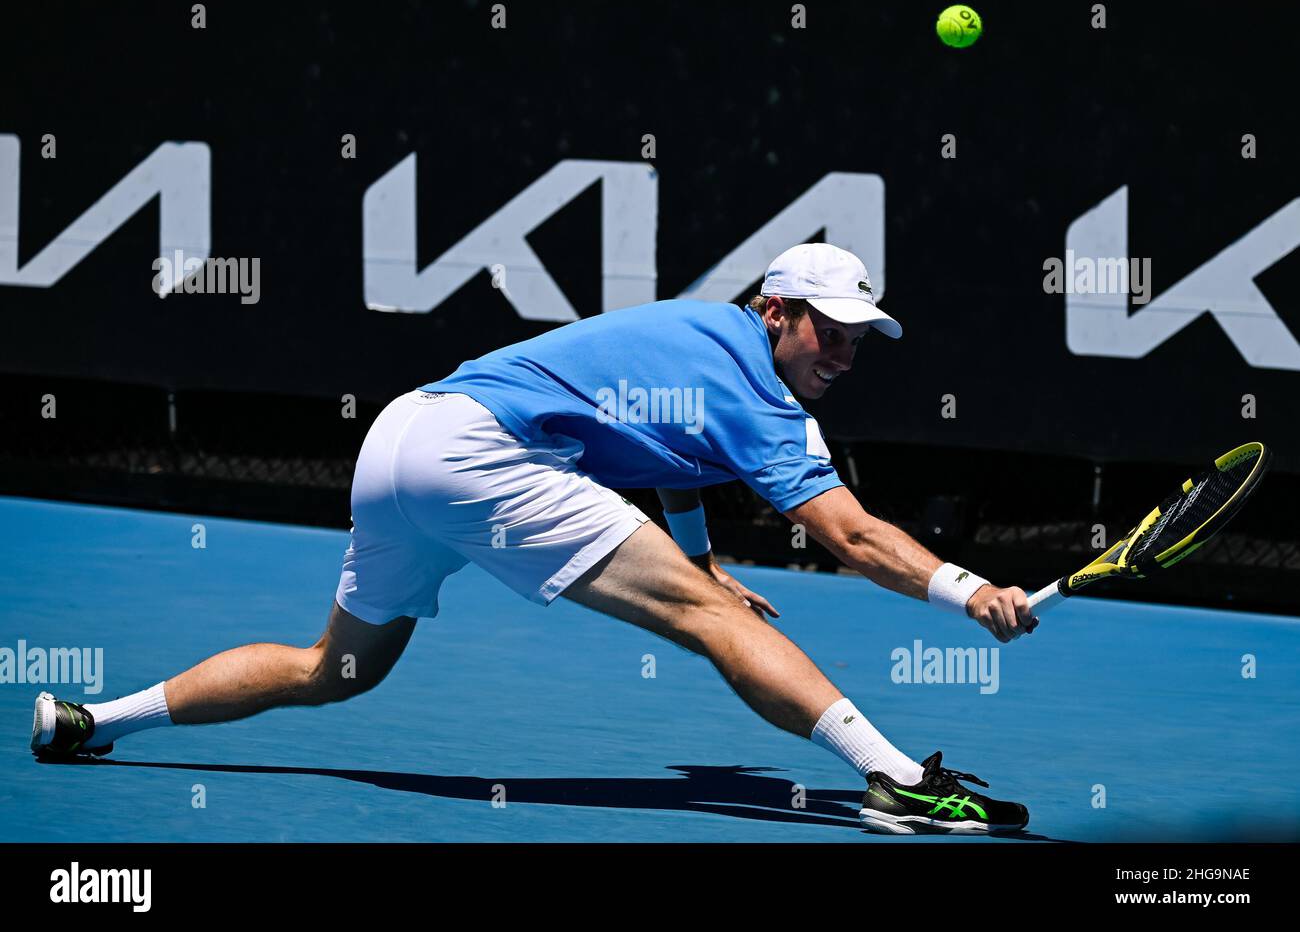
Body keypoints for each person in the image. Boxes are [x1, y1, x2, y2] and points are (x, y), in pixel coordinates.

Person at [32, 242, 1037, 835]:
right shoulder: (755, 389)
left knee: (333, 667)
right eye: (829, 328)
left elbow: (665, 448)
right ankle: (899, 780)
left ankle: (92, 719)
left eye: (859, 337)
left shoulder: (699, 336)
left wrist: (693, 549)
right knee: (714, 618)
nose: (846, 351)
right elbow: (852, 537)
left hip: (402, 438)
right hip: (479, 452)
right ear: (774, 309)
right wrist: (968, 589)